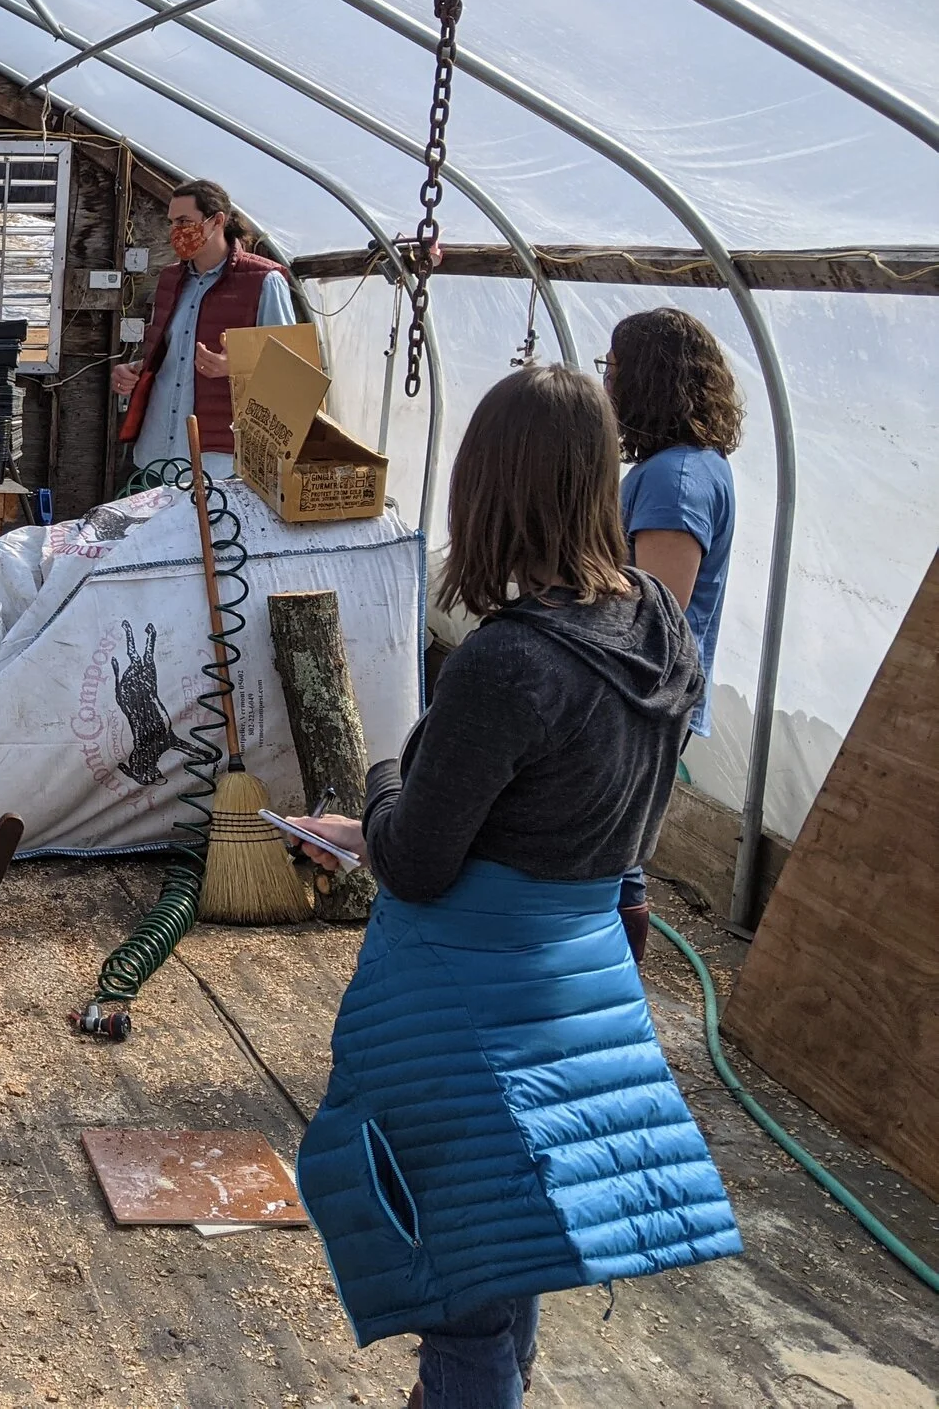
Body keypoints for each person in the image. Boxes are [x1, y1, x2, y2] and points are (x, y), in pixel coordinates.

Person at [283, 366, 739, 1409]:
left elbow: (416, 860)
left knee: (452, 1279)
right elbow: (563, 824)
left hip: (466, 1002)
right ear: (594, 482)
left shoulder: (508, 660)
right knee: (512, 1236)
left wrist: (384, 774)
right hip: (574, 979)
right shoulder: (659, 622)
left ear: (484, 491)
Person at [605, 309, 741, 960]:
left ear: (647, 380)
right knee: (617, 841)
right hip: (655, 689)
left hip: (644, 691)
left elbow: (654, 616)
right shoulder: (692, 465)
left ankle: (614, 984)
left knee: (614, 845)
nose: (607, 383)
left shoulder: (674, 480)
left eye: (615, 368)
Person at [111, 179, 295, 478]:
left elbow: (292, 368)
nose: (176, 231)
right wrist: (133, 370)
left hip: (219, 460)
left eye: (185, 221)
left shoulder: (264, 280)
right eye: (172, 222)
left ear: (217, 221)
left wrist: (235, 366)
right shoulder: (171, 280)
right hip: (156, 453)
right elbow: (170, 356)